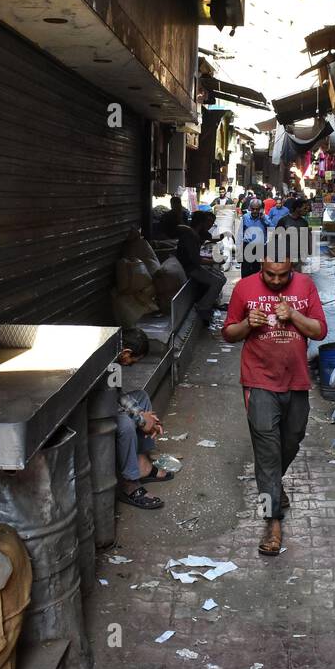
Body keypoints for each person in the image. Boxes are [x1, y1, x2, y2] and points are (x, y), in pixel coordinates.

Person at [222, 235, 327, 556]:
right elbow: (227, 334)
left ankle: (273, 486)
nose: (277, 281)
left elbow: (320, 331)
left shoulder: (306, 286)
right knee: (267, 451)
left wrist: (293, 315)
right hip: (259, 381)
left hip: (296, 381)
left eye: (283, 275)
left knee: (292, 439)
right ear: (261, 267)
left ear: (292, 267)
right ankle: (272, 521)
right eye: (270, 275)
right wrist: (245, 325)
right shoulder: (244, 288)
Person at [113, 328, 173, 509]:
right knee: (125, 424)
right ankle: (130, 484)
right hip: (94, 411)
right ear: (126, 353)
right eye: (133, 360)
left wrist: (144, 416)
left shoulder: (115, 359)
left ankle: (142, 463)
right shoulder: (107, 363)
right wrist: (141, 419)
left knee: (141, 396)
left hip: (110, 401)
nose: (131, 364)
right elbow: (110, 401)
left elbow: (117, 394)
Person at [175, 209, 227, 324]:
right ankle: (203, 307)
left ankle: (209, 303)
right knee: (217, 281)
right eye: (207, 222)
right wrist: (215, 260)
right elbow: (197, 260)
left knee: (222, 278)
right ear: (201, 223)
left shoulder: (198, 233)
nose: (209, 225)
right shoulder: (190, 235)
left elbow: (211, 239)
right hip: (189, 268)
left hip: (194, 265)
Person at [240, 197, 270, 279]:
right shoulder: (245, 217)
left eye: (257, 209)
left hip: (259, 246)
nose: (255, 211)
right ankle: (244, 285)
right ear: (250, 208)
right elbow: (241, 232)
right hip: (247, 245)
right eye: (253, 209)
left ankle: (255, 286)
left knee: (256, 268)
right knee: (246, 268)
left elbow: (272, 227)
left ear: (260, 209)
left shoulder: (265, 218)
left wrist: (263, 218)